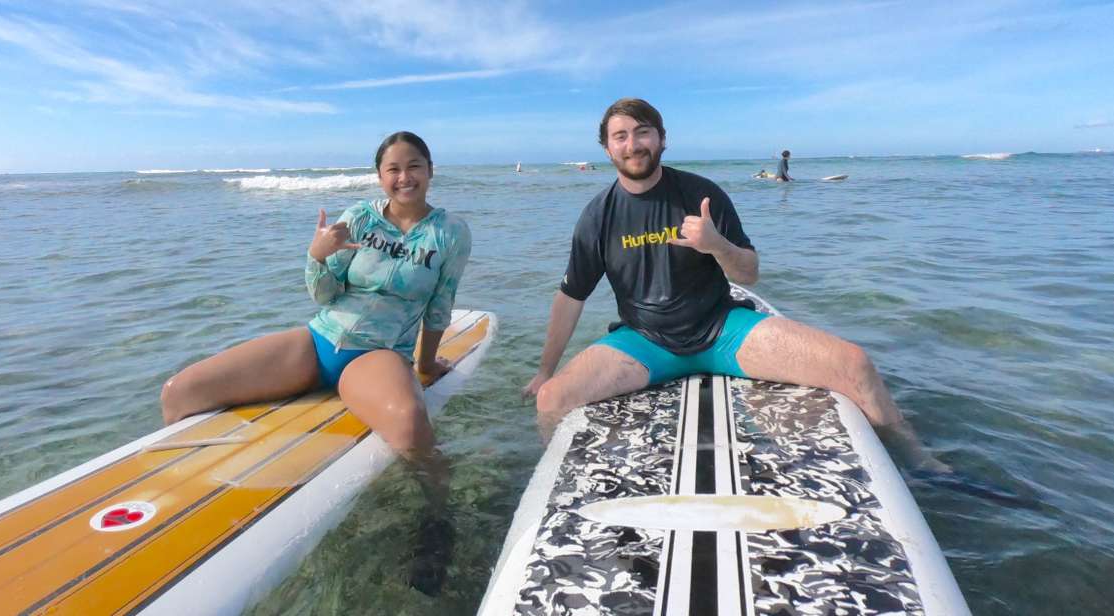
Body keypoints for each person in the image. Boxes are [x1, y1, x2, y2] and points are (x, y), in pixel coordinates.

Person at [522, 98, 947, 472]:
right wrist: (544, 371)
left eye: (643, 132)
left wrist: (715, 245)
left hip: (724, 332)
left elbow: (748, 274)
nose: (633, 144)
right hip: (645, 343)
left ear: (662, 139)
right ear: (606, 147)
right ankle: (560, 478)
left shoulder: (702, 193)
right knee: (552, 400)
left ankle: (917, 460)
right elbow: (571, 295)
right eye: (620, 136)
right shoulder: (598, 216)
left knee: (854, 364)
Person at [160, 130, 472, 594]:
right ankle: (181, 505)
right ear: (380, 176)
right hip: (317, 340)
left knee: (409, 422)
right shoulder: (357, 220)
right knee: (180, 391)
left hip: (375, 356)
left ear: (430, 170)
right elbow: (325, 294)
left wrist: (425, 366)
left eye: (414, 166)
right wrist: (316, 256)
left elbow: (439, 307)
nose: (404, 177)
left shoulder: (449, 233)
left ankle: (437, 522)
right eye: (393, 168)